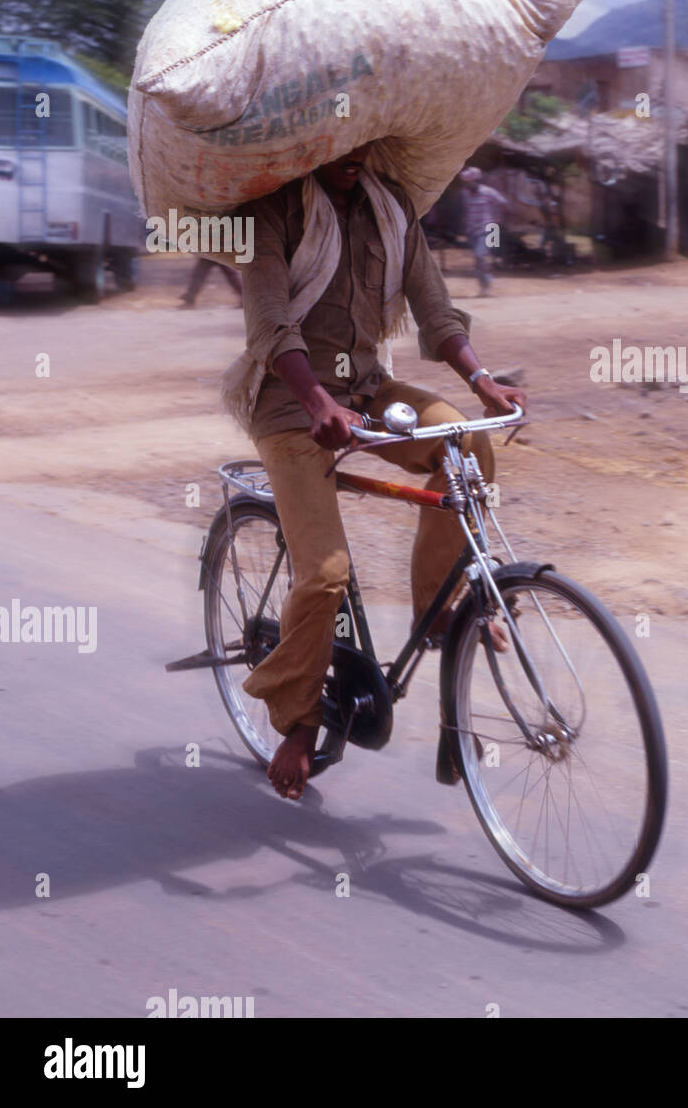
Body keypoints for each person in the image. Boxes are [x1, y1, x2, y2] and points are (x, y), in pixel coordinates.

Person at [224, 143, 524, 800]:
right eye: (336, 144)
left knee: (465, 444)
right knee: (326, 573)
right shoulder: (273, 212)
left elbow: (436, 310)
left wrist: (481, 380)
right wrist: (314, 400)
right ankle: (298, 720)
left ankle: (438, 612)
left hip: (365, 390)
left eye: (360, 141)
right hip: (289, 405)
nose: (350, 155)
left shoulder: (392, 211)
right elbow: (270, 324)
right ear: (307, 140)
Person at [459, 165, 508, 295]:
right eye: (465, 182)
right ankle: (484, 286)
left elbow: (503, 203)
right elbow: (466, 210)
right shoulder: (465, 194)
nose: (467, 184)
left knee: (479, 255)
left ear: (476, 181)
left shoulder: (488, 192)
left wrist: (497, 219)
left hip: (487, 229)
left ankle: (486, 286)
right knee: (479, 258)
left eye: (469, 182)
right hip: (472, 230)